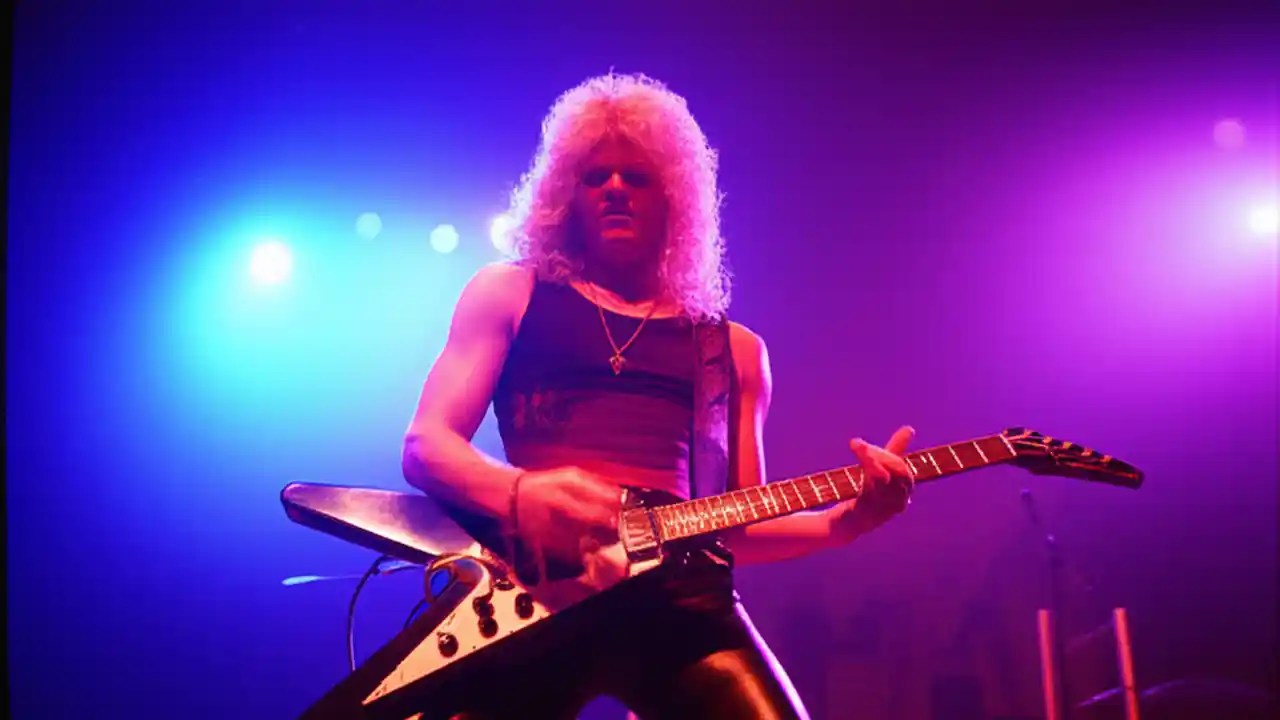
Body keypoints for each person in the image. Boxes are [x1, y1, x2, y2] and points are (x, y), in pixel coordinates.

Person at [401, 72, 916, 720]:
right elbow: (426, 446)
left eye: (638, 176)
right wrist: (519, 494)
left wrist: (848, 522)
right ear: (566, 194)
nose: (615, 188)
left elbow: (737, 525)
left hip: (682, 607)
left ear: (674, 196)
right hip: (535, 593)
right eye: (596, 176)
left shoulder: (733, 350)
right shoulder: (510, 293)